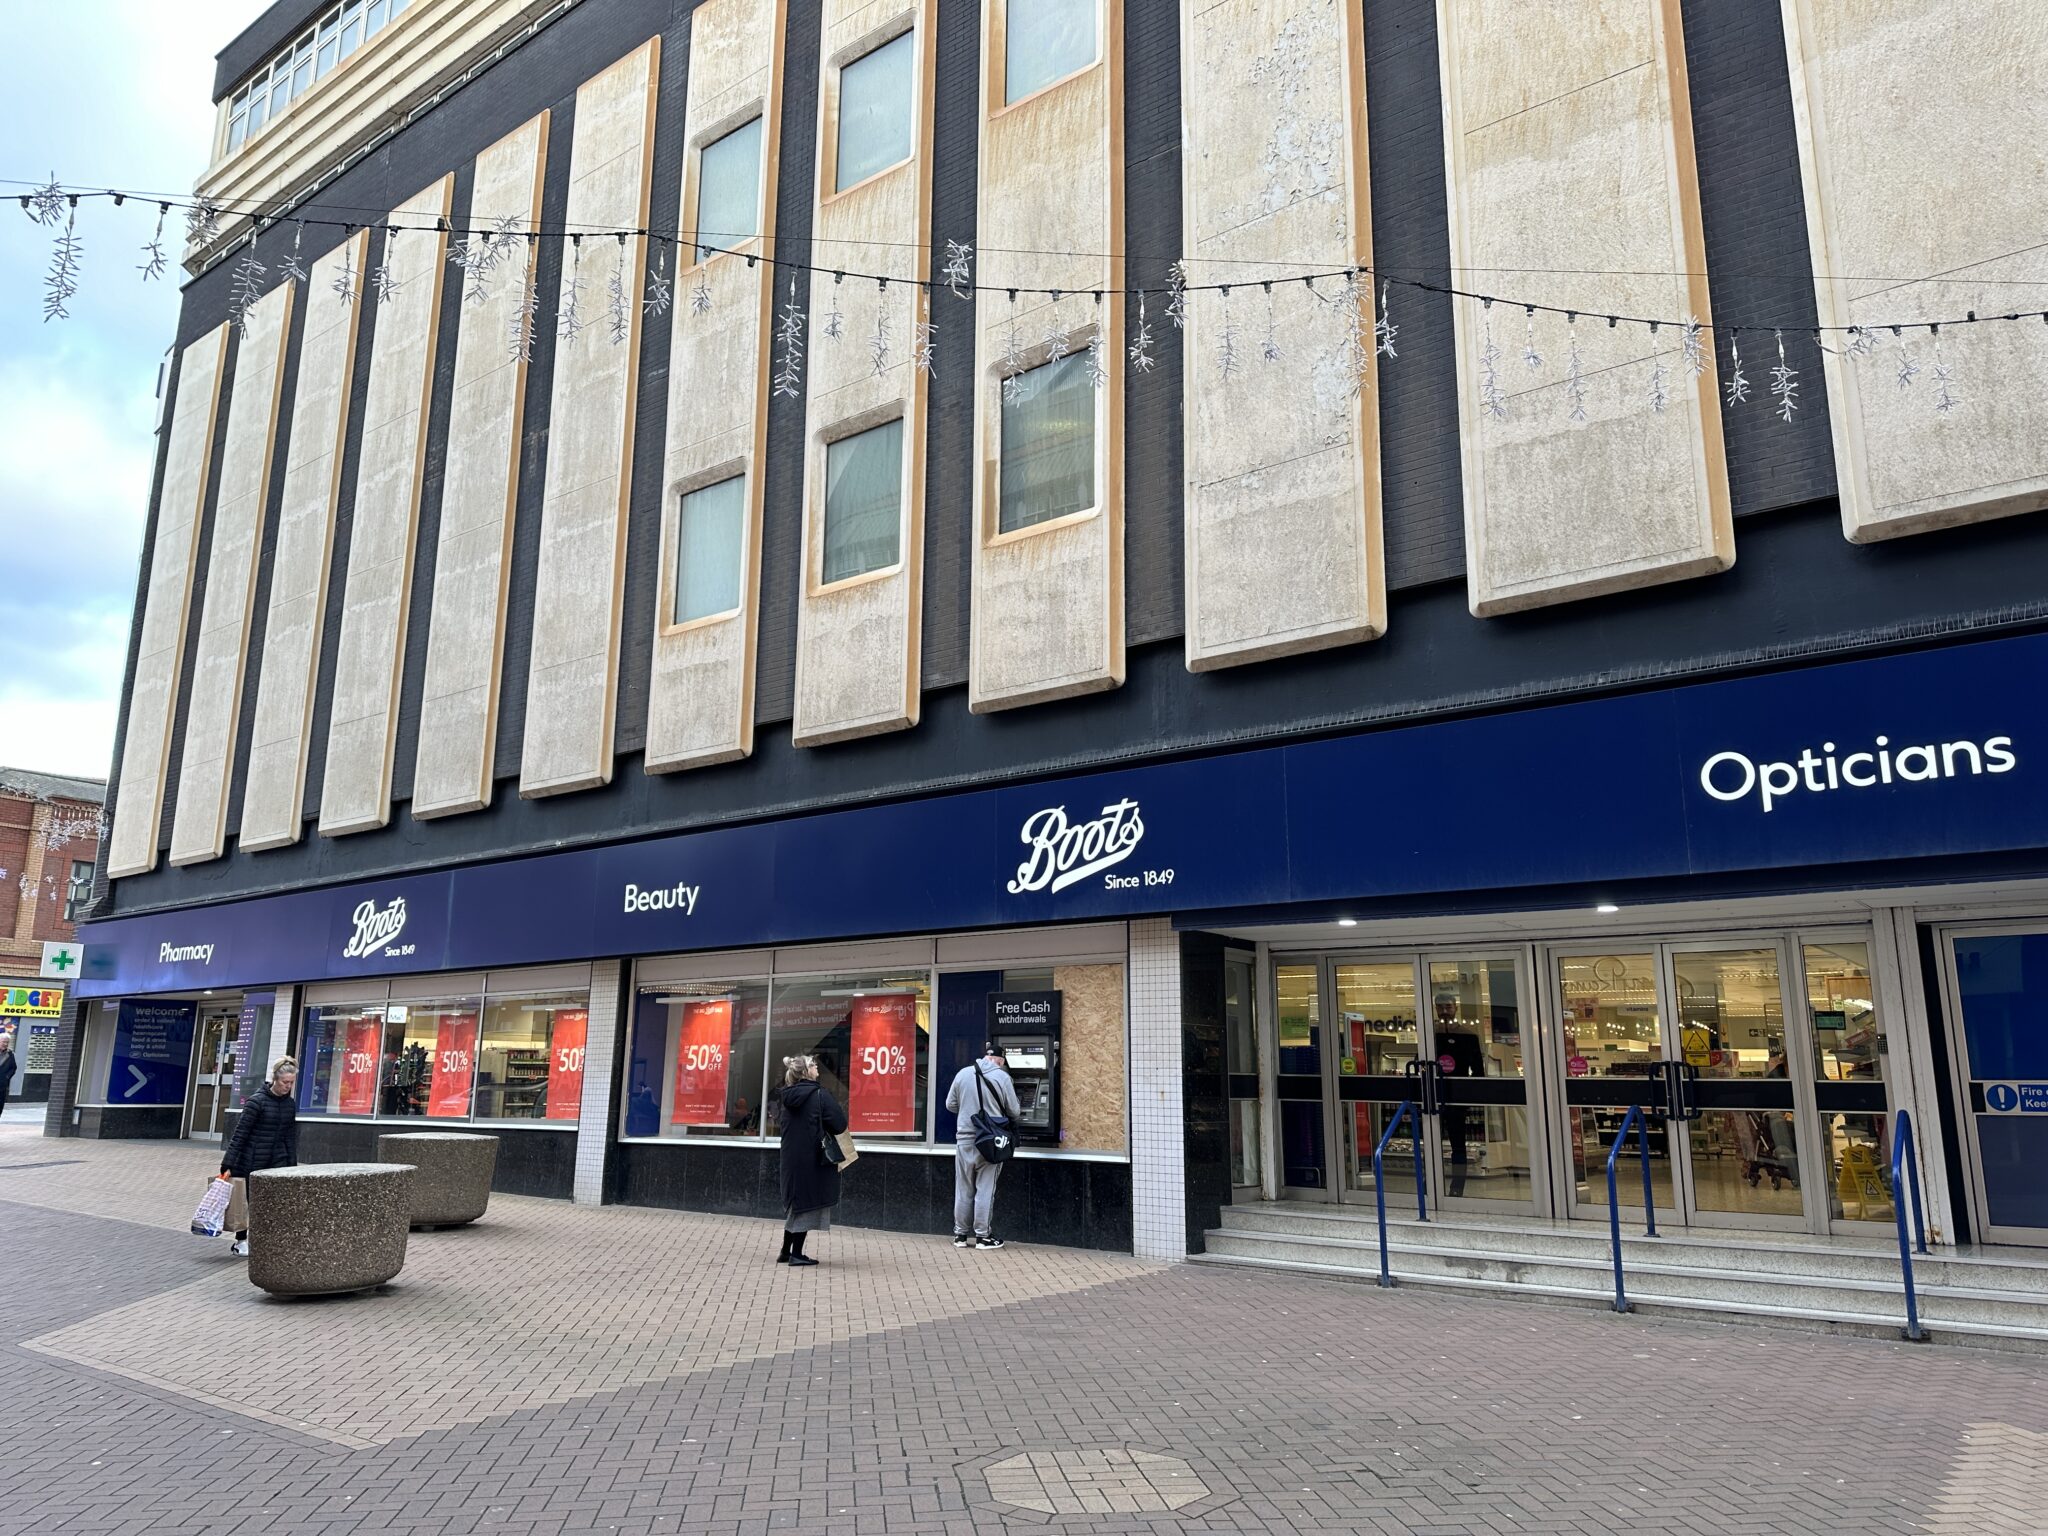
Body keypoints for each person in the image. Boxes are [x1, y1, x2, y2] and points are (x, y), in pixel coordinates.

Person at [218, 1056, 299, 1256]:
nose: (287, 1086)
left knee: (273, 1202)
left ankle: (267, 1240)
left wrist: (292, 1164)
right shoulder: (257, 1102)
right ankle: (241, 1241)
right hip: (252, 1160)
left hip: (277, 1160)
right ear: (275, 1079)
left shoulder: (289, 1105)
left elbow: (290, 1135)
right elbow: (240, 1133)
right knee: (247, 1203)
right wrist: (228, 1163)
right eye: (284, 1082)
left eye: (291, 1083)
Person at [945, 1043, 1022, 1250]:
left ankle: (960, 1236)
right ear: (1001, 1061)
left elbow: (950, 1104)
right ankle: (983, 1237)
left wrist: (968, 1110)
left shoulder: (962, 1074)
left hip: (964, 1140)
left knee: (963, 1189)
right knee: (985, 1190)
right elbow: (1014, 1111)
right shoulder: (1002, 1077)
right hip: (990, 1142)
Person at [775, 1054, 847, 1267]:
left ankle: (786, 1251)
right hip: (812, 1157)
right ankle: (797, 1254)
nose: (817, 1067)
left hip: (790, 1157)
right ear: (806, 1072)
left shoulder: (787, 1096)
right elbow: (839, 1123)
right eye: (814, 1065)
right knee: (807, 1203)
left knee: (796, 1202)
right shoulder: (819, 1094)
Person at [0, 1030, 16, 1119]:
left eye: (7, 1042)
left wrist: (6, 1077)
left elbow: (13, 1068)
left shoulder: (10, 1054)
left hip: (1, 1086)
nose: (5, 1044)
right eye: (3, 1042)